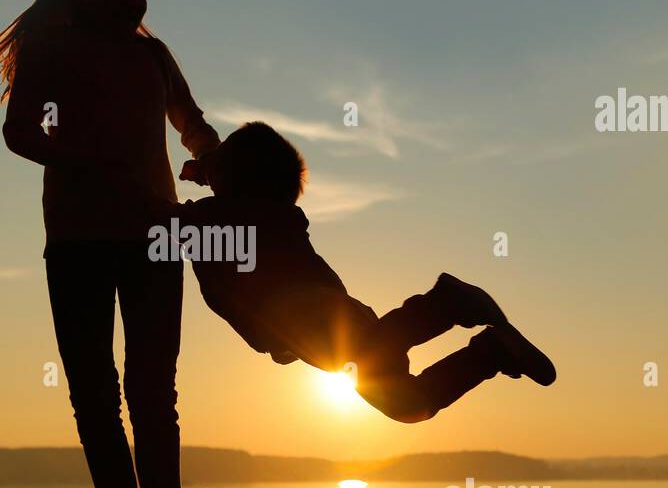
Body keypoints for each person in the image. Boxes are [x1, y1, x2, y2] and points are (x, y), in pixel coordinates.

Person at [0, 0, 239, 488]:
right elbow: (19, 132)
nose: (134, 1)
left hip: (156, 237)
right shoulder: (52, 50)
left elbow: (192, 123)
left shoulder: (152, 56)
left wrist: (213, 159)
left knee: (155, 393)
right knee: (95, 396)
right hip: (77, 240)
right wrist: (87, 166)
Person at [172, 123, 556, 423]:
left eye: (221, 171)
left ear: (237, 182)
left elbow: (170, 222)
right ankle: (492, 353)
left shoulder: (218, 219)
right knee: (408, 404)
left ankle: (447, 304)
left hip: (323, 323)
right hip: (320, 329)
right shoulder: (242, 214)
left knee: (380, 351)